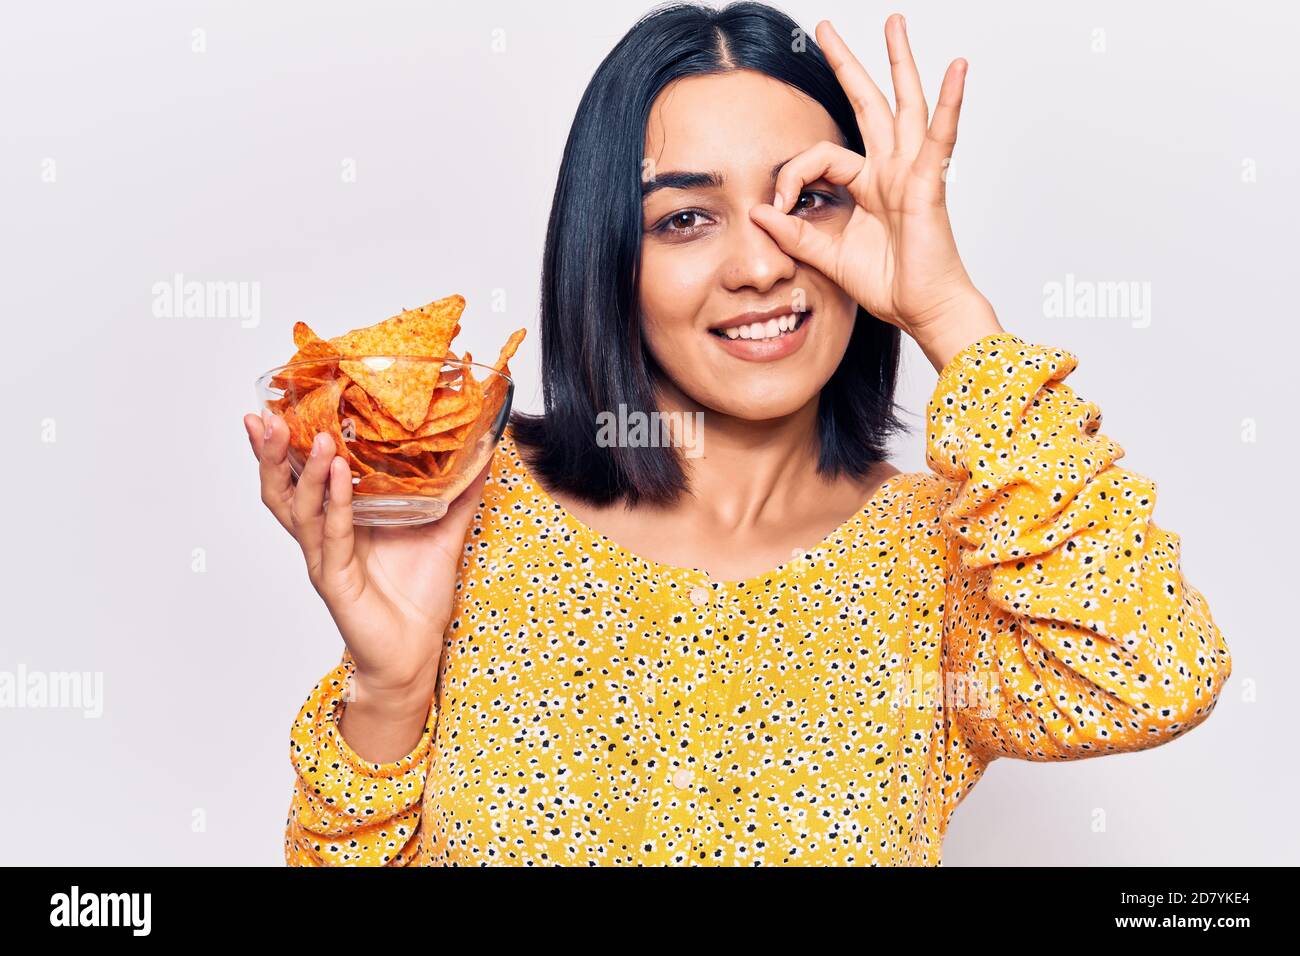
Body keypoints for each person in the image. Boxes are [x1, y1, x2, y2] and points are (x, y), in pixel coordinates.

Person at [244, 2, 1231, 866]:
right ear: (610, 251)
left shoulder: (939, 562)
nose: (761, 264)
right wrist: (393, 683)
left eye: (808, 201)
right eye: (685, 217)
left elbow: (1155, 668)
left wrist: (947, 309)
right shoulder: (471, 511)